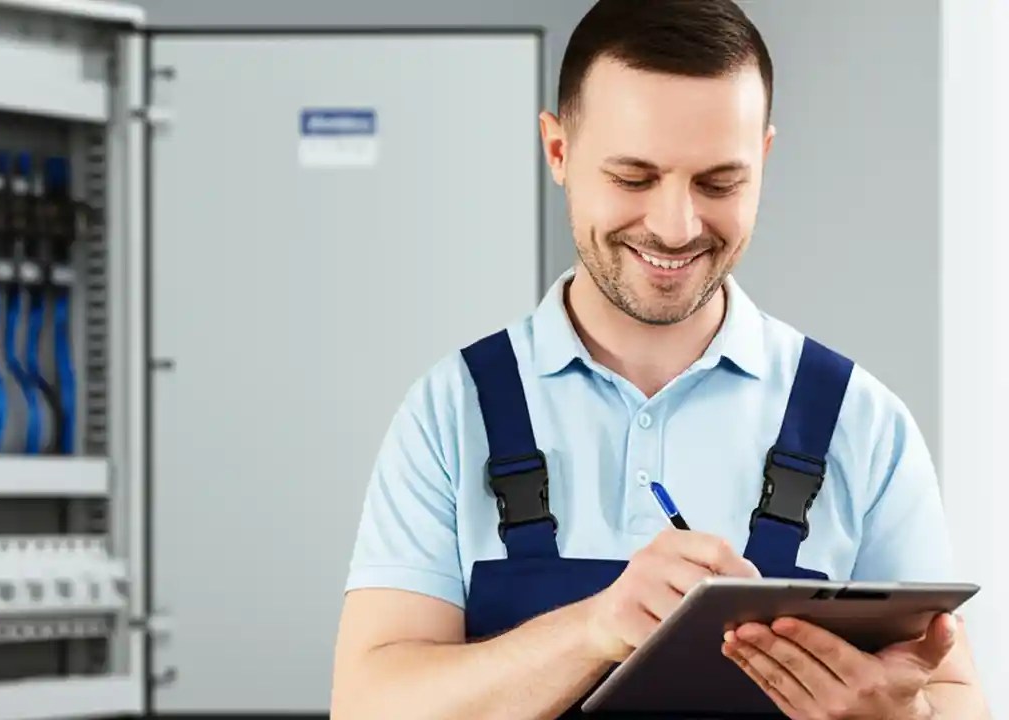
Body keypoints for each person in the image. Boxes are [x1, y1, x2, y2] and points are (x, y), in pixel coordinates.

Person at [329, 1, 990, 718]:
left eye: (719, 183)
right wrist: (592, 629)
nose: (675, 227)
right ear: (558, 152)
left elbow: (955, 697)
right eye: (634, 178)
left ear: (763, 159)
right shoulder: (451, 413)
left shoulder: (861, 423)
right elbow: (370, 705)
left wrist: (902, 718)